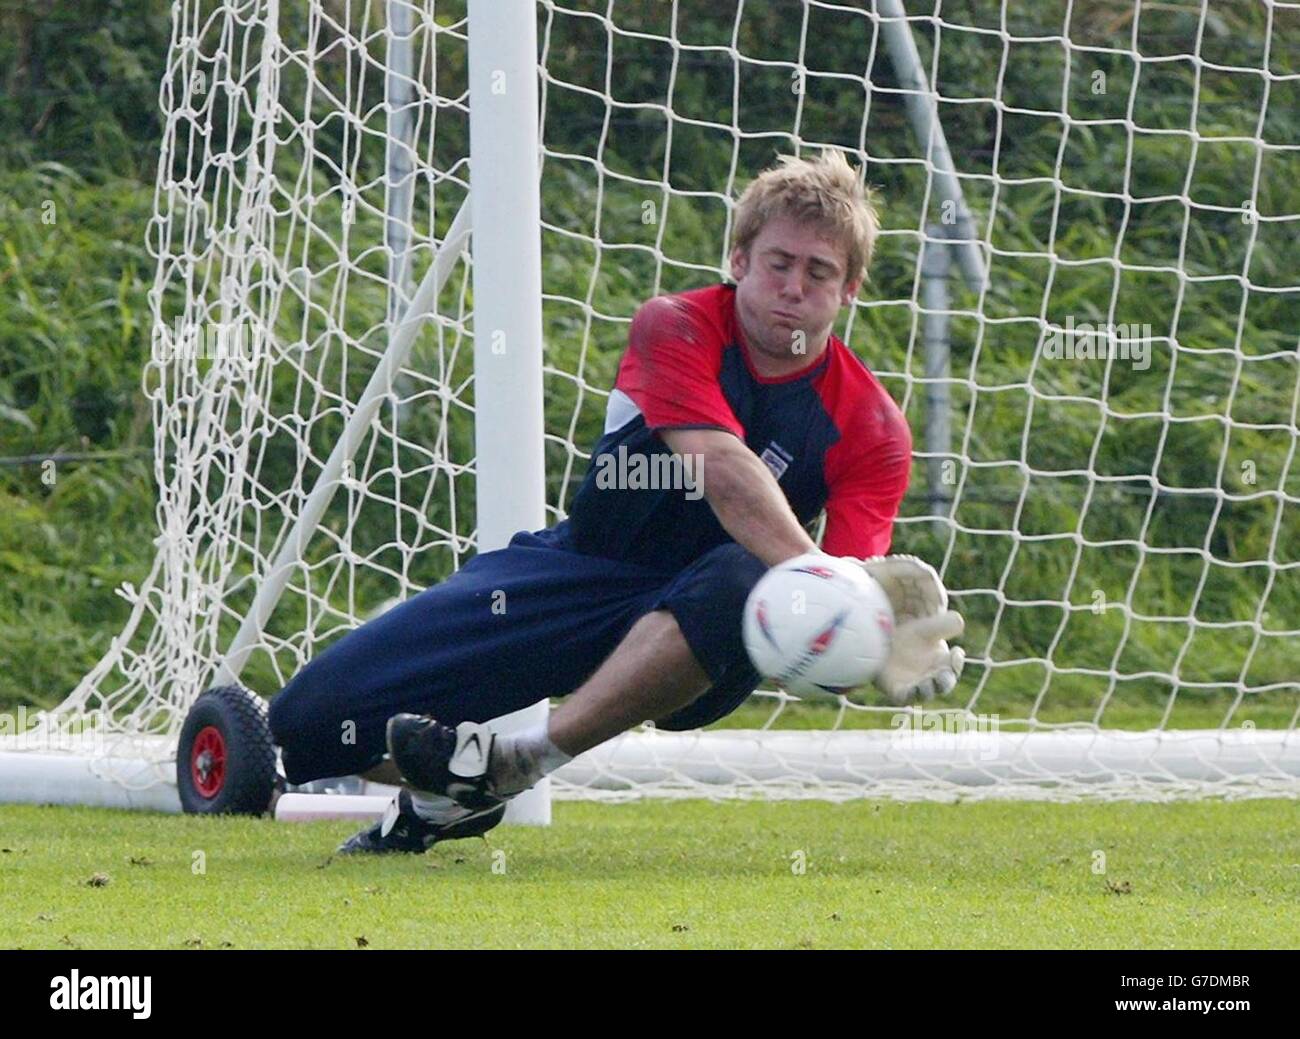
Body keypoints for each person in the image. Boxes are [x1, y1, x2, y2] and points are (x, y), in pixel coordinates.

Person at [267, 149, 965, 853]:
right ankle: (455, 797)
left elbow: (822, 623)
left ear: (850, 290)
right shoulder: (676, 324)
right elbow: (722, 470)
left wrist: (868, 644)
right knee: (309, 720)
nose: (794, 286)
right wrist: (834, 585)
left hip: (717, 627)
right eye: (779, 262)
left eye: (820, 272)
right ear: (738, 260)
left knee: (746, 571)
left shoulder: (874, 428)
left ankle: (518, 761)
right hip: (584, 570)